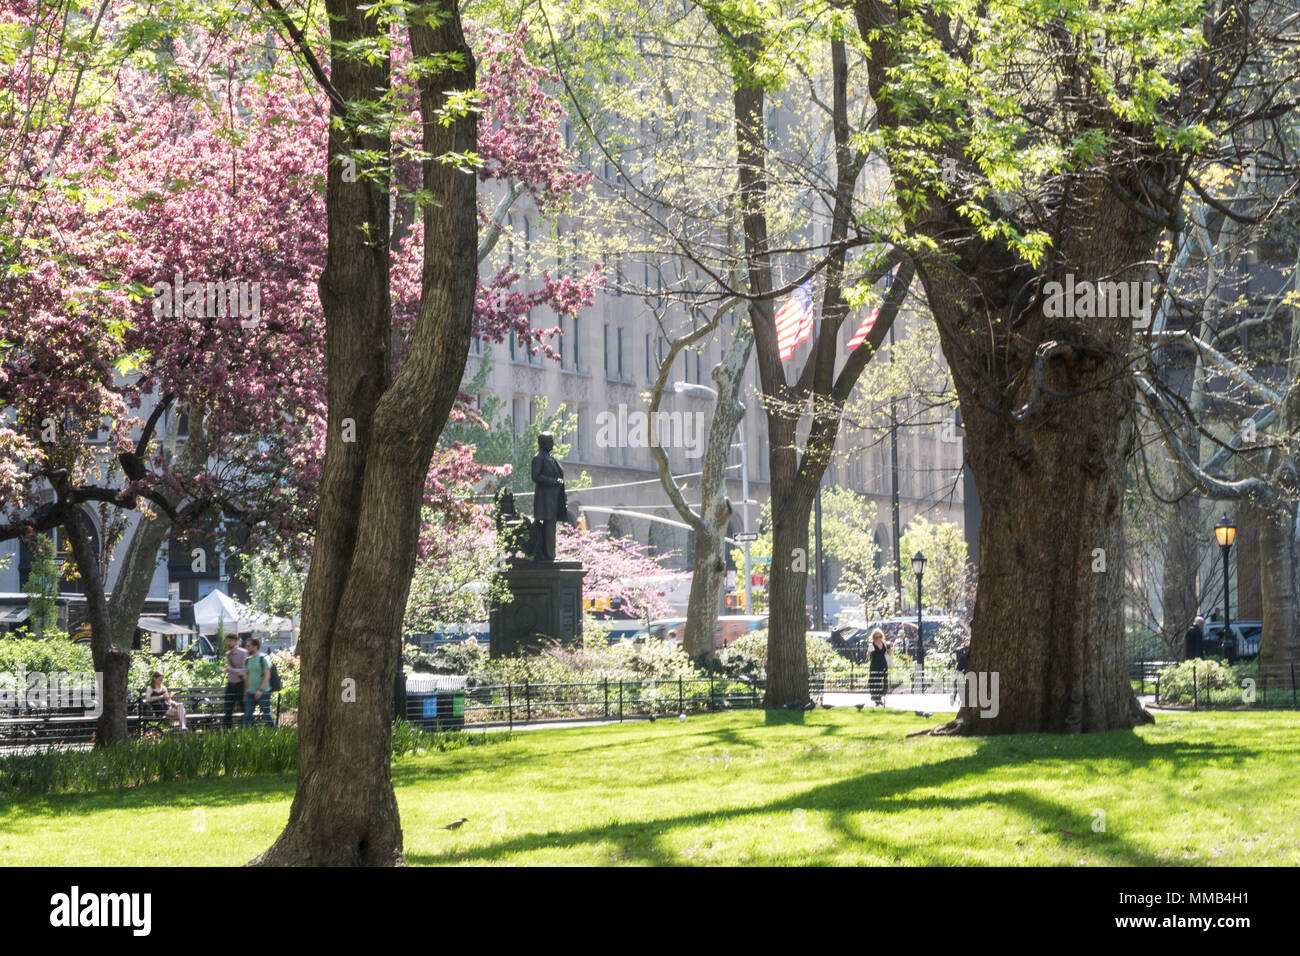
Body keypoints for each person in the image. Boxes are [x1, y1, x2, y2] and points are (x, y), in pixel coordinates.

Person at [530, 432, 565, 561]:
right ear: (544, 443)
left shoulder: (550, 458)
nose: (553, 444)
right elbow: (536, 476)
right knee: (548, 525)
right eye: (550, 441)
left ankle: (550, 553)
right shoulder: (538, 458)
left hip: (554, 498)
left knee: (551, 526)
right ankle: (548, 554)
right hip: (544, 499)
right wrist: (553, 481)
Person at [242, 637, 275, 728]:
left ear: (255, 646)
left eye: (249, 646)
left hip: (264, 691)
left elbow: (267, 676)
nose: (246, 648)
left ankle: (274, 731)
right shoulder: (247, 660)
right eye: (246, 646)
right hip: (250, 692)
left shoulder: (263, 658)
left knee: (266, 714)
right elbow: (247, 677)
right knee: (247, 715)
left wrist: (260, 690)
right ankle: (243, 736)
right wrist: (245, 693)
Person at [220, 632, 247, 729]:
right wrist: (226, 670)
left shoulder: (243, 653)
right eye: (227, 641)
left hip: (240, 685)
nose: (228, 643)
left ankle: (245, 731)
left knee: (244, 709)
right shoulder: (227, 654)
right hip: (230, 685)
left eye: (230, 641)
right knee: (227, 710)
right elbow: (230, 669)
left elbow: (245, 671)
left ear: (236, 642)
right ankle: (227, 732)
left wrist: (231, 670)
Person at [868, 628, 891, 707]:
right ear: (874, 637)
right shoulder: (872, 645)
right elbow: (868, 655)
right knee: (875, 682)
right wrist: (869, 653)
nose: (878, 638)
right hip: (875, 665)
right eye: (876, 637)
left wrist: (889, 649)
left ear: (882, 636)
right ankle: (877, 700)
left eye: (879, 636)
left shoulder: (884, 643)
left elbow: (889, 653)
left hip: (883, 664)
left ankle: (880, 697)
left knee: (884, 682)